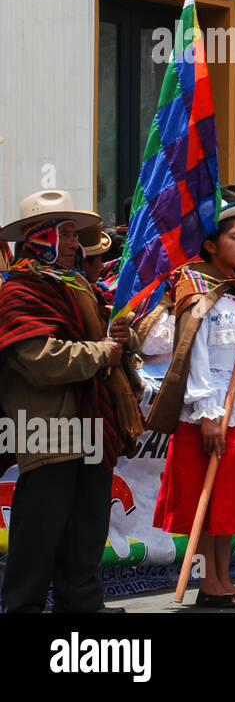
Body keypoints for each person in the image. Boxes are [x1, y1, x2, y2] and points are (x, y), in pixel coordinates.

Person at [0, 190, 138, 613]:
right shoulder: (17, 293)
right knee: (38, 537)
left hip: (91, 427)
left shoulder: (80, 287)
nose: (77, 243)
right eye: (66, 233)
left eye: (74, 235)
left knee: (86, 532)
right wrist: (102, 353)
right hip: (48, 434)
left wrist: (122, 340)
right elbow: (38, 360)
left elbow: (104, 343)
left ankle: (82, 615)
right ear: (39, 237)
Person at [149, 193, 235, 607]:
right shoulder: (195, 286)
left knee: (228, 501)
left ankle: (223, 579)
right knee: (207, 501)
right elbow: (193, 352)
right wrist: (207, 411)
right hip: (210, 409)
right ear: (210, 244)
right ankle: (209, 585)